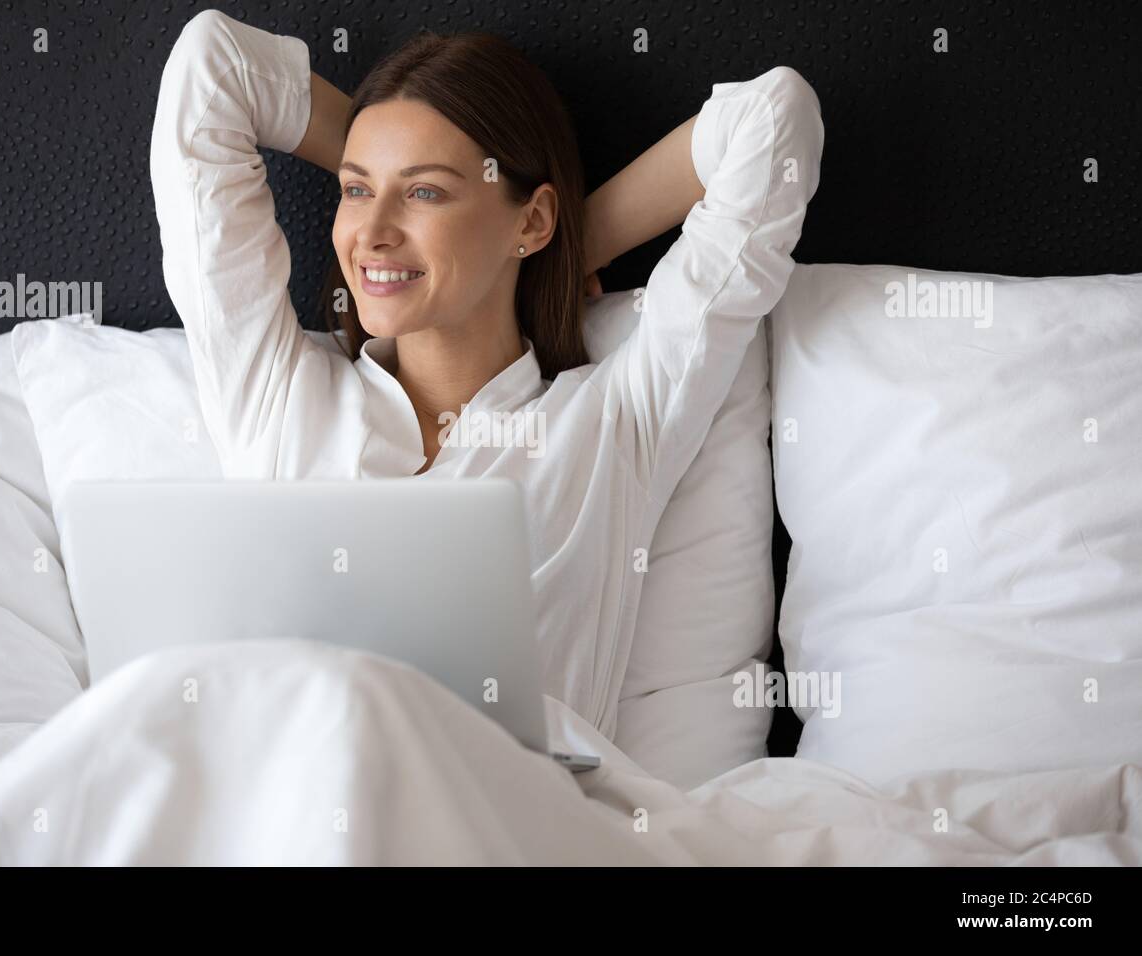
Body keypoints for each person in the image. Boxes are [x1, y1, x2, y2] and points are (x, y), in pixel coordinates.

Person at [148, 8, 824, 742]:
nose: (370, 232)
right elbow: (209, 67)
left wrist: (565, 248)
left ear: (532, 221)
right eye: (355, 189)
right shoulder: (279, 399)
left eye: (425, 192)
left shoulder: (614, 425)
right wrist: (401, 155)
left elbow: (771, 119)